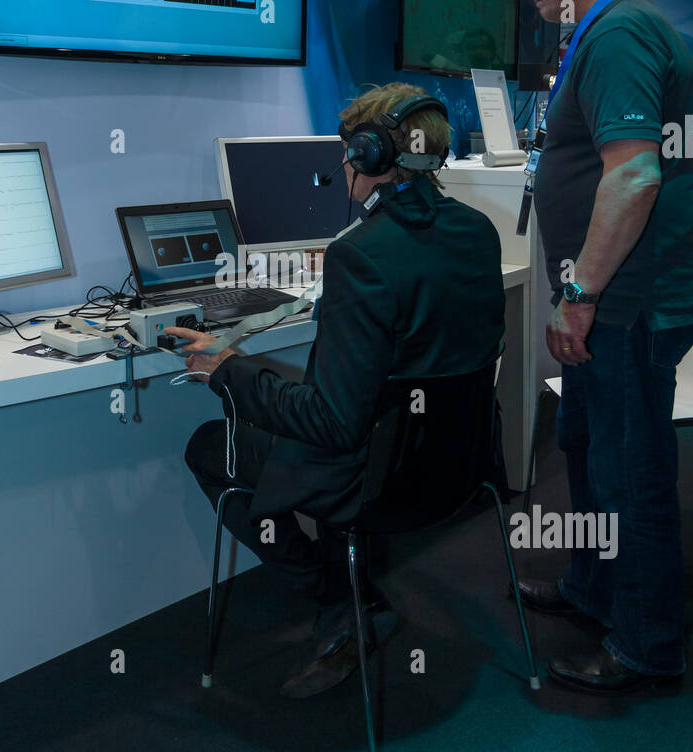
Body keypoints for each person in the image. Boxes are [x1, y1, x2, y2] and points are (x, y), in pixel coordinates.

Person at [167, 82, 506, 698]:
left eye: (351, 151)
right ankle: (348, 593)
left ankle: (340, 600)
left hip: (380, 483)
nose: (345, 163)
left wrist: (228, 371)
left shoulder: (362, 257)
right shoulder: (478, 231)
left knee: (209, 445)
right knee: (308, 395)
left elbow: (332, 423)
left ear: (373, 157)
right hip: (461, 466)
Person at [519, 0, 693, 693]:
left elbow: (633, 175)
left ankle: (646, 644)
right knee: (589, 453)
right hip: (615, 298)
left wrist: (581, 294)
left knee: (632, 473)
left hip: (624, 301)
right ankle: (594, 589)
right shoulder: (615, 29)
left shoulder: (621, 33)